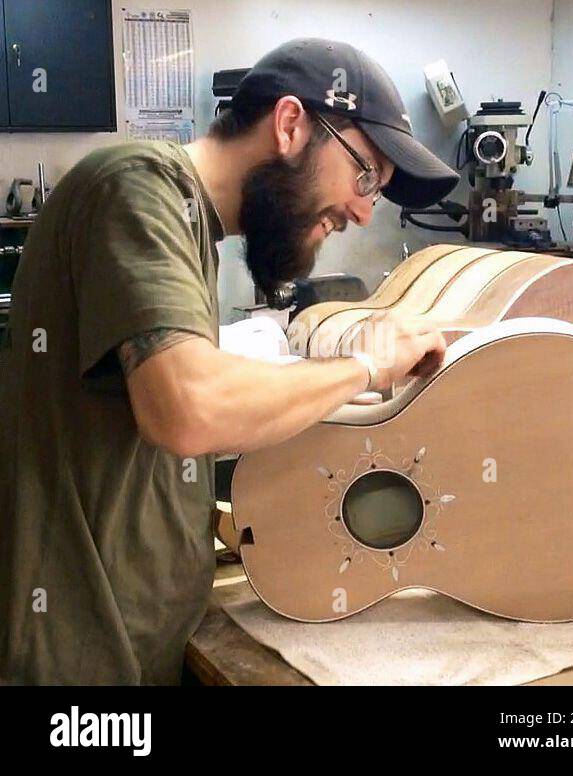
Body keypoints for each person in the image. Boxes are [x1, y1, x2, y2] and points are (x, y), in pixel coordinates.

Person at [0, 38, 459, 685]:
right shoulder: (136, 187)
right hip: (83, 664)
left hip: (131, 643)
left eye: (376, 194)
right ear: (291, 124)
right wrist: (362, 366)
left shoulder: (185, 222)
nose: (361, 212)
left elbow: (192, 389)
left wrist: (338, 399)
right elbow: (190, 411)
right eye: (364, 175)